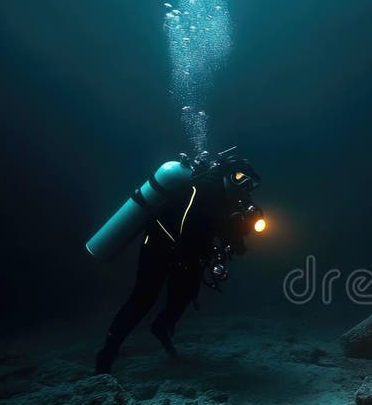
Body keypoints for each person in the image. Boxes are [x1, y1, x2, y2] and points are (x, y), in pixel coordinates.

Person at [94, 152, 265, 374]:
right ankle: (107, 353)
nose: (244, 186)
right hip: (159, 247)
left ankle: (162, 327)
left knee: (185, 294)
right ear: (229, 173)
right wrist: (228, 228)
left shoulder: (230, 199)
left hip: (188, 255)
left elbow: (230, 237)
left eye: (249, 183)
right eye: (240, 178)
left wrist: (241, 230)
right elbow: (191, 226)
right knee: (142, 299)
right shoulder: (205, 188)